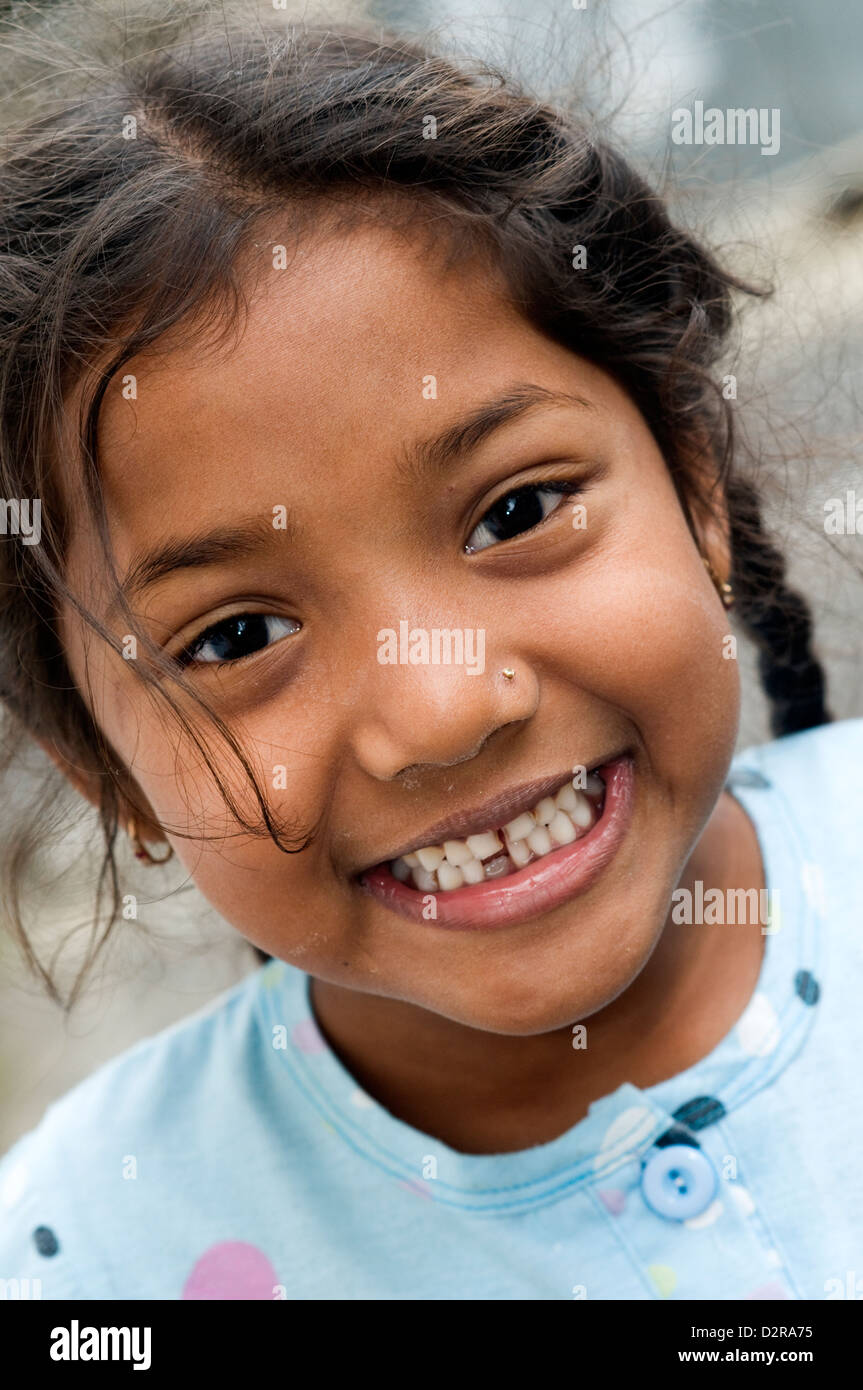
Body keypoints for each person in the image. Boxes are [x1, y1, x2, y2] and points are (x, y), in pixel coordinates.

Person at [0, 16, 858, 1301]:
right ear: (106, 768)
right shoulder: (87, 1258)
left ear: (692, 487)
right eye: (237, 637)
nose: (445, 708)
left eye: (515, 511)